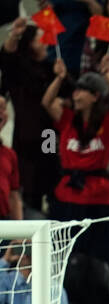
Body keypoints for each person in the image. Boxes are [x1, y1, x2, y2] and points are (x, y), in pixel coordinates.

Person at [43, 58, 109, 259]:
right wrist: (59, 78)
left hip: (98, 196)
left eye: (82, 90)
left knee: (96, 256)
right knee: (62, 255)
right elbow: (46, 102)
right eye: (76, 89)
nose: (76, 94)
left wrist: (107, 74)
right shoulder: (67, 119)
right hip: (67, 195)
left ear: (95, 96)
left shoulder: (108, 122)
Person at [1, 15, 60, 210]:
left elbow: (68, 91)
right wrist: (14, 36)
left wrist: (62, 76)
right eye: (39, 39)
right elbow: (7, 58)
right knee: (28, 186)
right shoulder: (18, 69)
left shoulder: (51, 67)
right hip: (26, 137)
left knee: (52, 178)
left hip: (49, 133)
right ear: (28, 43)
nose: (45, 43)